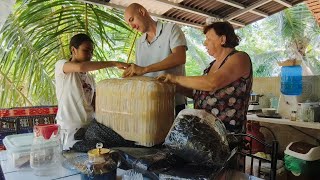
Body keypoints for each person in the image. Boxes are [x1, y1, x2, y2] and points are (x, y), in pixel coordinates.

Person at [158, 21, 252, 133]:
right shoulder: (211, 65)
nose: (204, 43)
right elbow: (197, 93)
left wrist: (175, 78)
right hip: (205, 131)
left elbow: (212, 83)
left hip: (227, 133)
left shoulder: (240, 58)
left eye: (208, 39)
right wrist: (175, 86)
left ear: (222, 40)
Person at [55, 33, 128, 150]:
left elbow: (95, 104)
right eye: (86, 50)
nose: (90, 55)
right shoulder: (62, 67)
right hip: (70, 130)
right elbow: (81, 67)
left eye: (91, 51)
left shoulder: (90, 79)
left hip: (89, 129)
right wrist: (114, 63)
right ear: (73, 50)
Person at [123, 3, 188, 115]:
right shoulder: (140, 42)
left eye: (132, 20)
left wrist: (145, 69)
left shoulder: (171, 29)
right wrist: (131, 71)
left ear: (142, 12)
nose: (132, 26)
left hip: (173, 102)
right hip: (149, 102)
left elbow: (180, 57)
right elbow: (141, 72)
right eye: (129, 23)